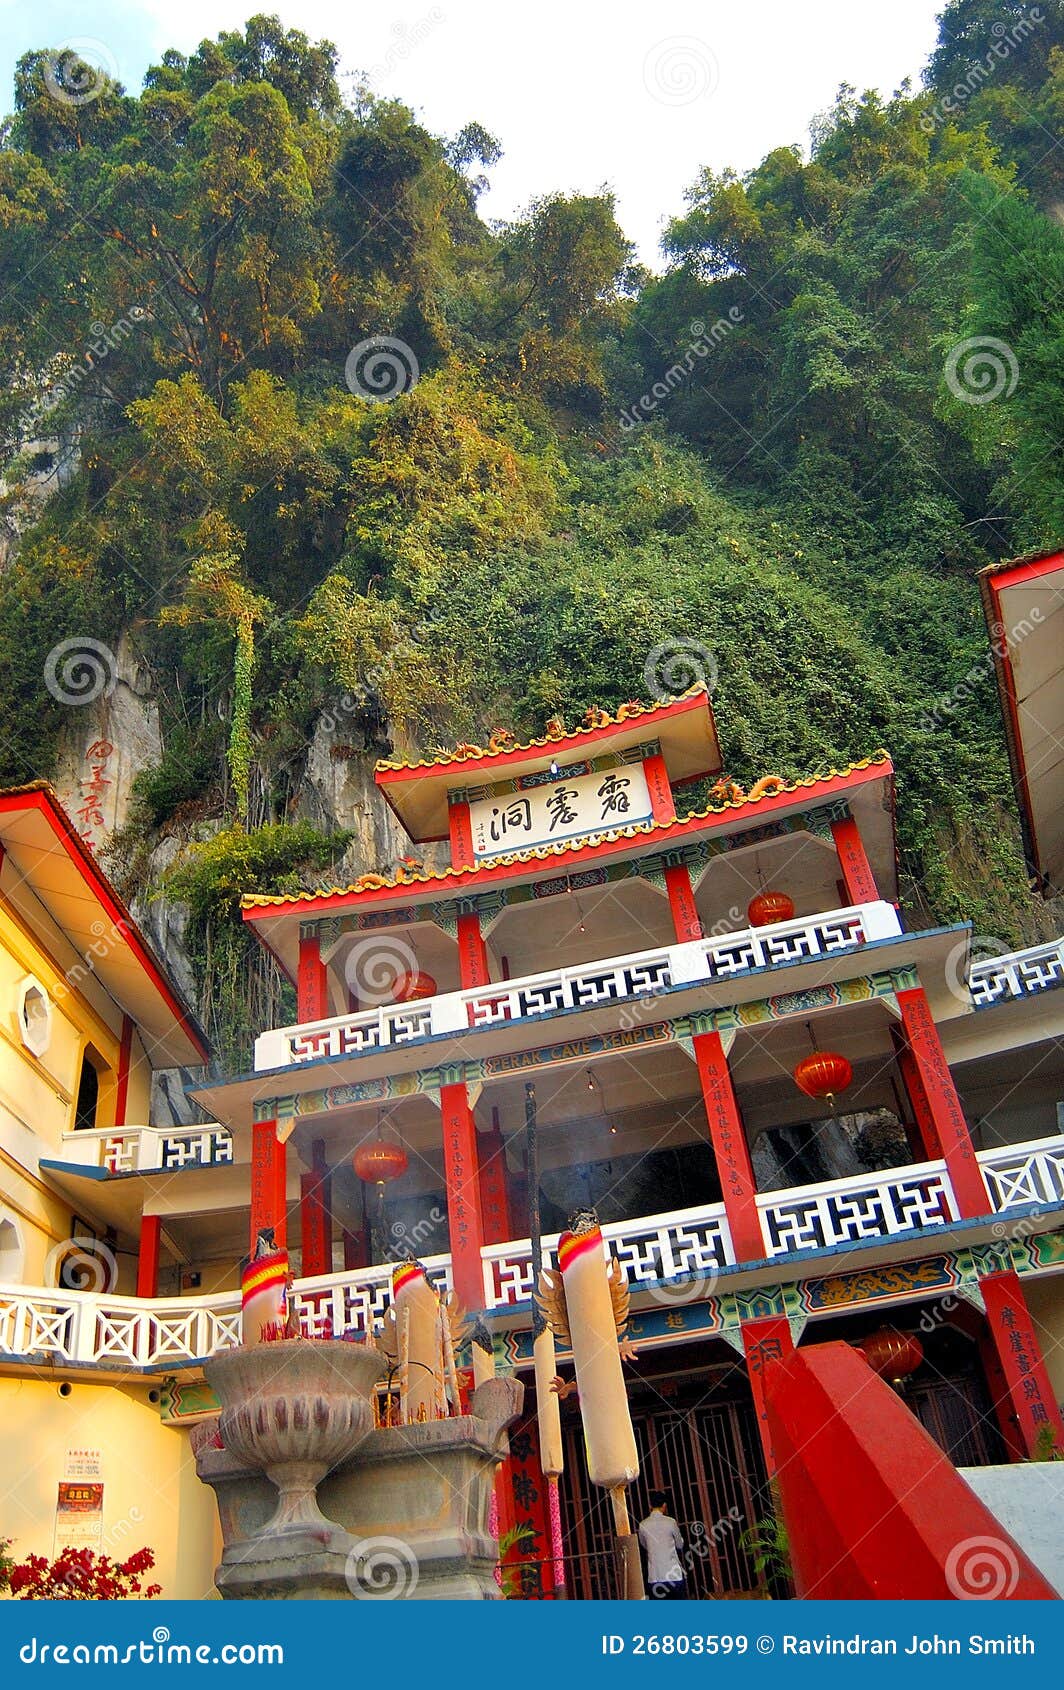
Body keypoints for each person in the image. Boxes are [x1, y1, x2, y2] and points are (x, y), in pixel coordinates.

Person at [637, 1491, 686, 1598]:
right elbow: (679, 1545)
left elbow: (643, 1544)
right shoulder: (671, 1522)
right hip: (674, 1575)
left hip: (655, 1576)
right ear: (664, 1505)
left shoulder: (643, 1525)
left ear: (650, 1505)